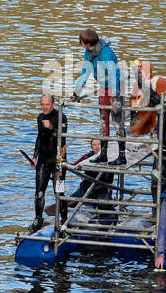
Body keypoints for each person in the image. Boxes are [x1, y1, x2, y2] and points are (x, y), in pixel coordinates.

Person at [70, 28, 123, 157]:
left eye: (81, 42)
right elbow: (85, 73)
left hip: (114, 88)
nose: (81, 45)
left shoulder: (106, 53)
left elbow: (113, 74)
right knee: (103, 123)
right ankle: (103, 155)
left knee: (117, 123)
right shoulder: (88, 53)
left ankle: (122, 156)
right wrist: (76, 92)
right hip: (102, 88)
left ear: (85, 42)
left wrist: (115, 95)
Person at [27, 94, 66, 231]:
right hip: (43, 159)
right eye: (42, 104)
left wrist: (52, 129)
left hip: (58, 161)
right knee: (39, 192)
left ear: (53, 105)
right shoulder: (40, 117)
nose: (44, 107)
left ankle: (64, 219)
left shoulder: (61, 117)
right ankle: (38, 219)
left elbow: (63, 135)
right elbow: (39, 137)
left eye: (47, 104)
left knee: (59, 192)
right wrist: (34, 157)